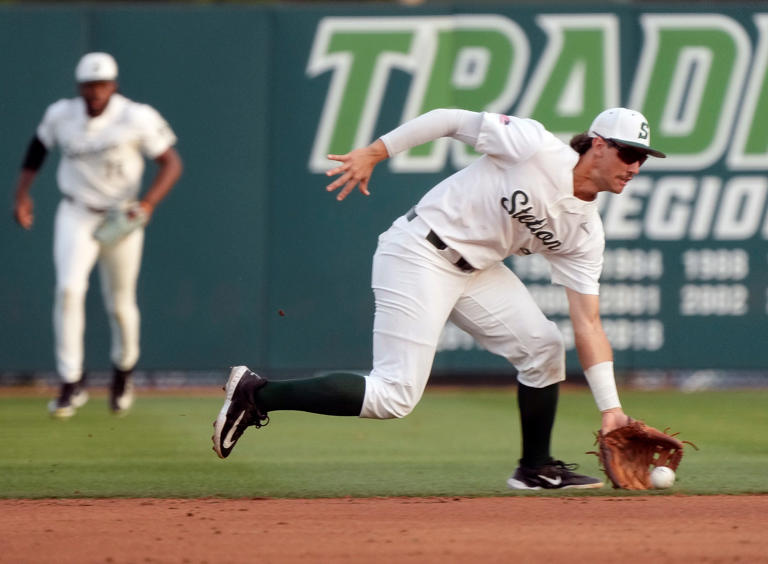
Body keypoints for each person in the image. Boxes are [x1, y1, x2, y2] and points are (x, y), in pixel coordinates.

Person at [211, 106, 665, 490]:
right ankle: (258, 394)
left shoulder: (585, 232)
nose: (635, 166)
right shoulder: (534, 146)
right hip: (419, 250)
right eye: (629, 153)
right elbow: (449, 119)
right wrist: (375, 152)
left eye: (643, 158)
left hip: (478, 271)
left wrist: (612, 411)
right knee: (394, 396)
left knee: (543, 348)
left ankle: (535, 468)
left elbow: (588, 324)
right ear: (598, 144)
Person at [12, 52, 182, 418]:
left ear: (114, 85)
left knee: (119, 302)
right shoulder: (62, 114)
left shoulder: (136, 116)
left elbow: (171, 162)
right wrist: (22, 193)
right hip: (76, 212)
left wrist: (149, 203)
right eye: (90, 84)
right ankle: (71, 381)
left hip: (121, 216)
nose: (95, 91)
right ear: (79, 87)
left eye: (102, 84)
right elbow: (38, 148)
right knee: (68, 290)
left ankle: (123, 372)